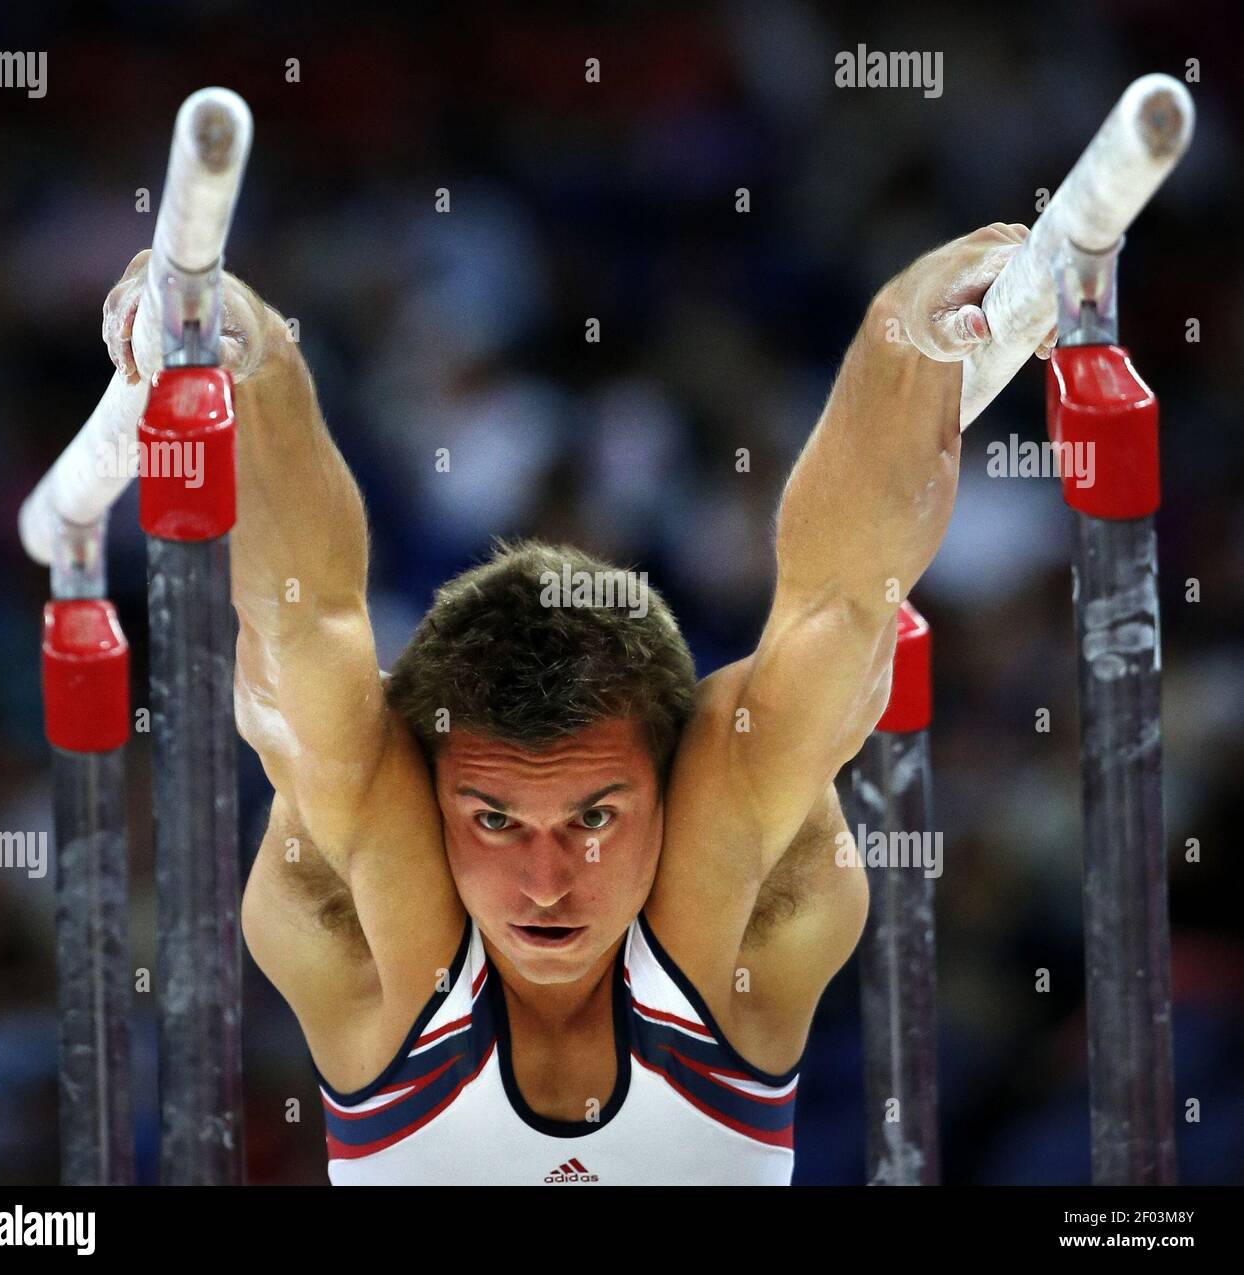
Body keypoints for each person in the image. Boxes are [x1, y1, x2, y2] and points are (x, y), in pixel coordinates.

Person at [102, 223, 1053, 1185]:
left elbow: (845, 602)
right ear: (431, 790)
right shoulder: (375, 898)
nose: (548, 881)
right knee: (331, 742)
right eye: (496, 818)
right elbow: (301, 625)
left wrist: (905, 329)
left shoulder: (723, 843)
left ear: (669, 781)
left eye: (594, 815)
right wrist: (251, 355)